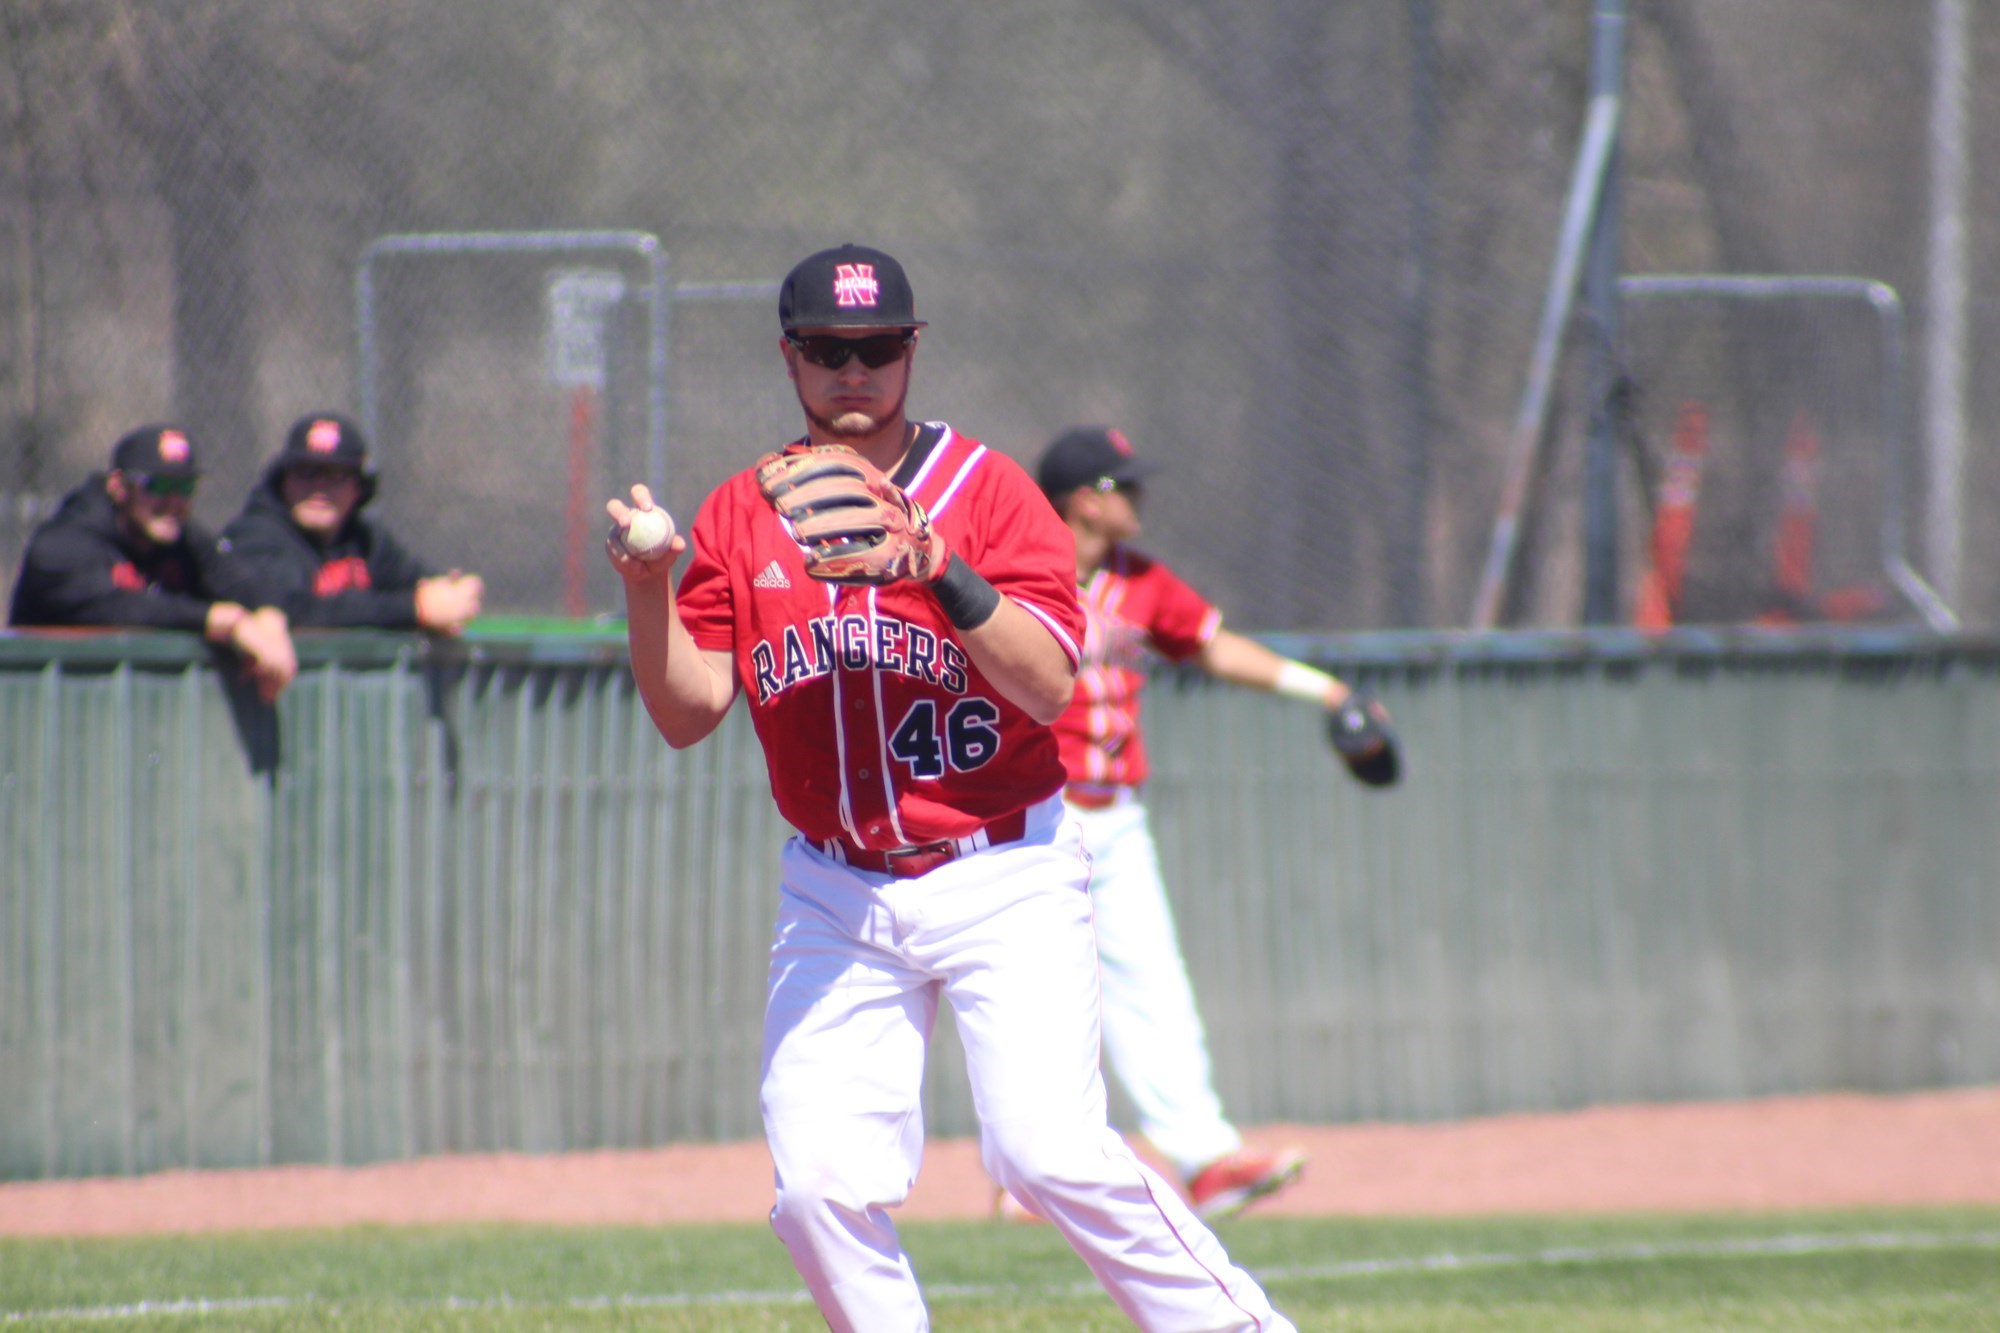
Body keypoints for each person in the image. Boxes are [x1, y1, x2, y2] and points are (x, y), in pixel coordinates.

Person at [603, 244, 1296, 1332]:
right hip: (837, 891)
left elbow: (1047, 684)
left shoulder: (990, 494)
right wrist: (649, 592)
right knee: (819, 1185)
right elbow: (687, 713)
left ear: (910, 349)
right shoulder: (741, 514)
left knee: (1045, 1152)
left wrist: (934, 564)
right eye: (828, 350)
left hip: (1000, 868)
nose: (853, 371)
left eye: (876, 348)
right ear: (790, 356)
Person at [995, 423, 1396, 1223]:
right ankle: (1025, 1173)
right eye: (1125, 485)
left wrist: (1325, 692)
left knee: (1154, 981)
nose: (1140, 497)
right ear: (1085, 500)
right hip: (1032, 817)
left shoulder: (1140, 581)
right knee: (1027, 994)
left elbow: (1213, 648)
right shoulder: (1013, 575)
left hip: (1117, 817)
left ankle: (1206, 1159)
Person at [8, 423, 296, 702]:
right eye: (158, 485)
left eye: (185, 487)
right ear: (118, 487)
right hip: (42, 713)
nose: (173, 500)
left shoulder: (178, 536)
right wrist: (220, 620)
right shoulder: (64, 544)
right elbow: (118, 610)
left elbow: (241, 579)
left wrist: (270, 617)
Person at [220, 412, 484, 635]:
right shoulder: (254, 538)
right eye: (306, 471)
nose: (318, 488)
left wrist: (452, 594)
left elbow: (419, 585)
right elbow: (289, 609)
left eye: (335, 474)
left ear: (359, 488)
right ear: (283, 479)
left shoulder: (363, 539)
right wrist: (413, 609)